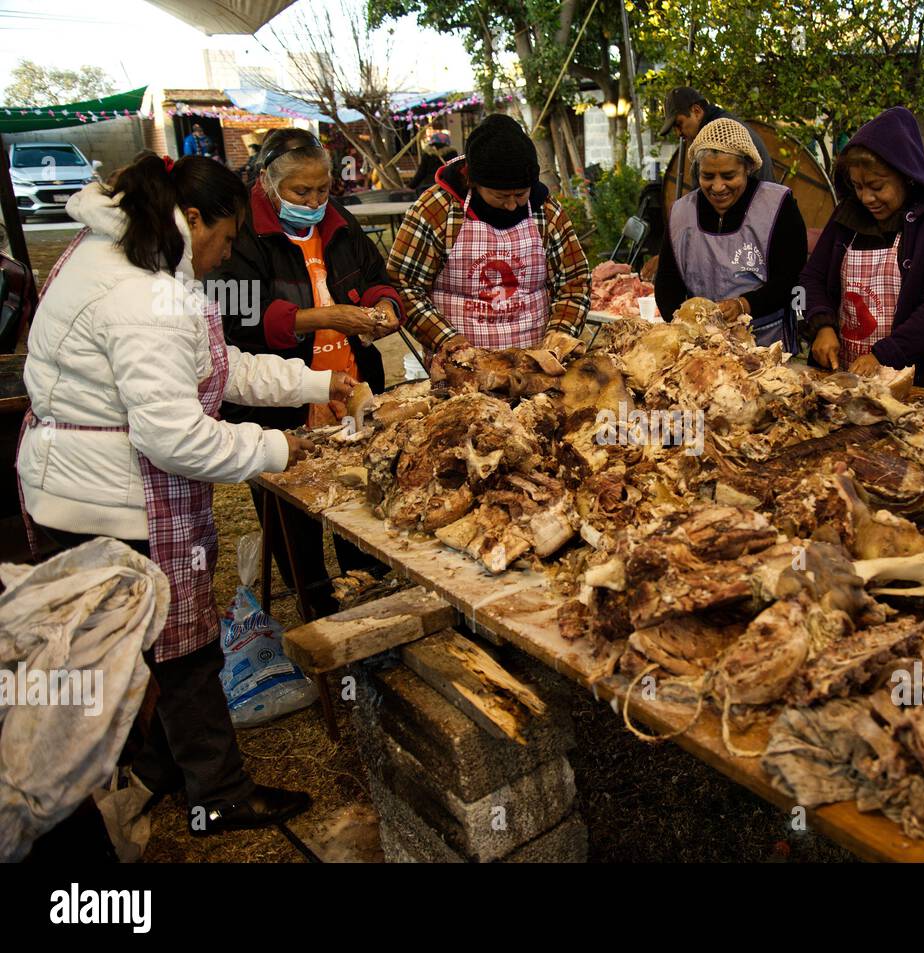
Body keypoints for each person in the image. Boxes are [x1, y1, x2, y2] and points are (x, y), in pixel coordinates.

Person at [17, 153, 355, 834]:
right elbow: (173, 436)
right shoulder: (143, 297)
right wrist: (277, 449)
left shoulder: (127, 252)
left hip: (76, 484)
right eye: (225, 239)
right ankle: (213, 795)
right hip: (107, 502)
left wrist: (318, 384)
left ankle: (163, 770)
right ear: (192, 218)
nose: (227, 256)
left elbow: (215, 369)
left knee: (147, 652)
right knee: (180, 654)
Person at [214, 128, 400, 618]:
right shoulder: (241, 234)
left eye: (322, 189)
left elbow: (376, 277)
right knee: (294, 515)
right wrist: (322, 318)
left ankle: (370, 597)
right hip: (277, 401)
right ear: (268, 182)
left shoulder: (339, 222)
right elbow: (235, 316)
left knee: (360, 502)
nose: (315, 201)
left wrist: (383, 305)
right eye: (301, 191)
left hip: (349, 386)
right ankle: (314, 604)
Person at [802, 107, 924, 389]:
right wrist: (822, 324)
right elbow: (813, 277)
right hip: (843, 377)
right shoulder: (848, 214)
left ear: (906, 175)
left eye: (876, 186)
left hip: (918, 383)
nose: (866, 198)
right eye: (858, 186)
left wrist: (885, 355)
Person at [387, 113, 590, 357]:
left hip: (536, 358)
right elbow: (404, 284)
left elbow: (574, 281)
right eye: (501, 196)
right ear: (473, 183)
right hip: (462, 362)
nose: (512, 205)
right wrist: (447, 341)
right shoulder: (436, 209)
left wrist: (559, 336)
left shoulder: (546, 210)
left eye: (521, 194)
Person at [654, 118, 807, 350]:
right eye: (707, 176)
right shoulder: (682, 213)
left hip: (766, 344)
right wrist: (684, 328)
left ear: (748, 168)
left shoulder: (777, 205)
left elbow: (791, 279)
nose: (717, 187)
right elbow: (667, 284)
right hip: (701, 347)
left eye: (728, 176)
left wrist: (744, 304)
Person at [659, 87, 773, 183]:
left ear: (697, 111)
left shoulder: (716, 137)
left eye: (679, 124)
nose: (678, 133)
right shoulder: (723, 123)